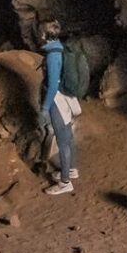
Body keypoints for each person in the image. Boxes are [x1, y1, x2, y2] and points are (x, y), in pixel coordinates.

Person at [37, 24, 87, 194]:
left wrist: (45, 108)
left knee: (62, 141)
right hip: (67, 97)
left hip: (58, 101)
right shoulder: (60, 47)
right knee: (68, 136)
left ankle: (65, 183)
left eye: (39, 30)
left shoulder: (53, 55)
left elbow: (52, 86)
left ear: (44, 33)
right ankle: (71, 170)